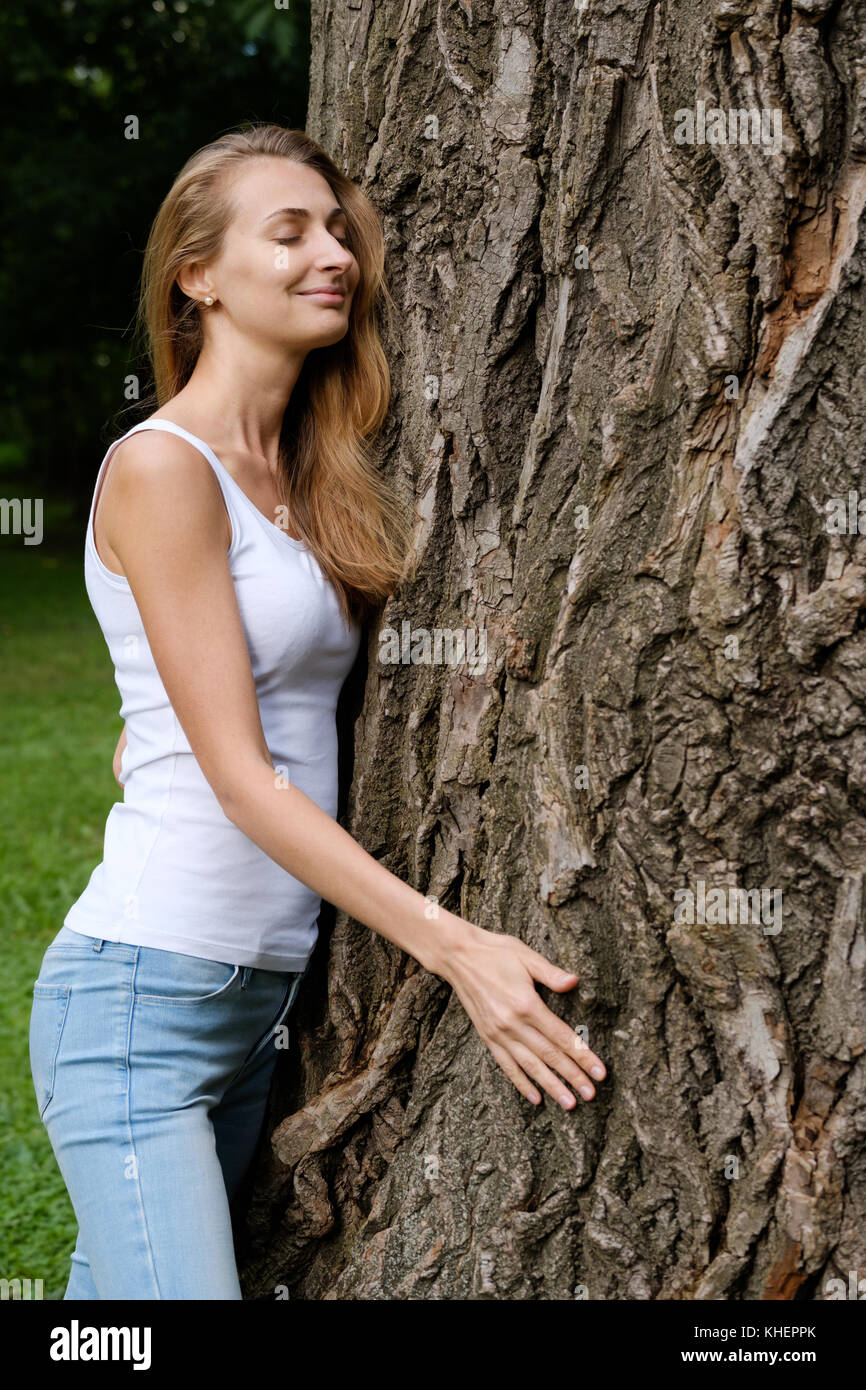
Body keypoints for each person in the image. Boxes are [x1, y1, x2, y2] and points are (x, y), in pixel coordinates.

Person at [29, 123, 606, 1300]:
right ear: (198, 274)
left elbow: (207, 706)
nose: (329, 253)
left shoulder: (304, 476)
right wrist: (458, 950)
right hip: (141, 998)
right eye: (285, 232)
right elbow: (242, 778)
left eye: (336, 230)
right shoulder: (162, 467)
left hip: (250, 1009)